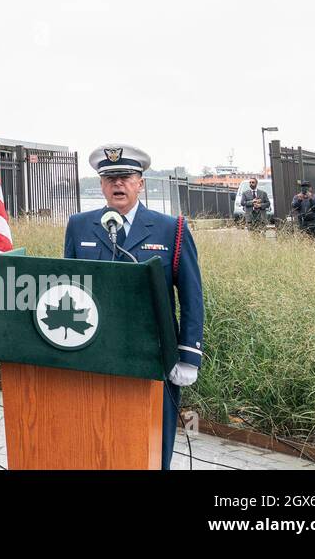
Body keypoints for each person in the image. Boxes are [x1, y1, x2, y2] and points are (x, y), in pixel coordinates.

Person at [62, 144, 205, 470]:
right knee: (99, 440)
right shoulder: (80, 226)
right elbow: (69, 289)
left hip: (152, 358)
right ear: (100, 185)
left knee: (152, 446)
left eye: (125, 176)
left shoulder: (171, 228)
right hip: (94, 356)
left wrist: (188, 355)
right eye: (110, 177)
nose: (118, 184)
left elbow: (192, 296)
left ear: (141, 182)